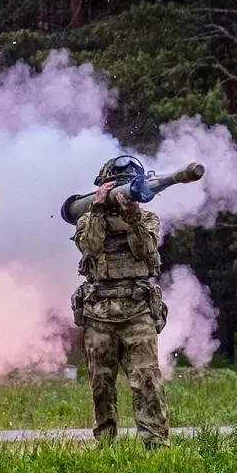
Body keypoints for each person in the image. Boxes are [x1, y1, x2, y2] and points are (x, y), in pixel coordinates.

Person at [70, 156, 170, 449]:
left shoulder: (147, 219)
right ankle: (106, 446)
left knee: (147, 382)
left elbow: (145, 250)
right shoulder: (88, 219)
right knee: (101, 386)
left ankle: (155, 447)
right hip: (98, 313)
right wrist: (99, 209)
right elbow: (90, 246)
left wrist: (133, 216)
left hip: (137, 312)